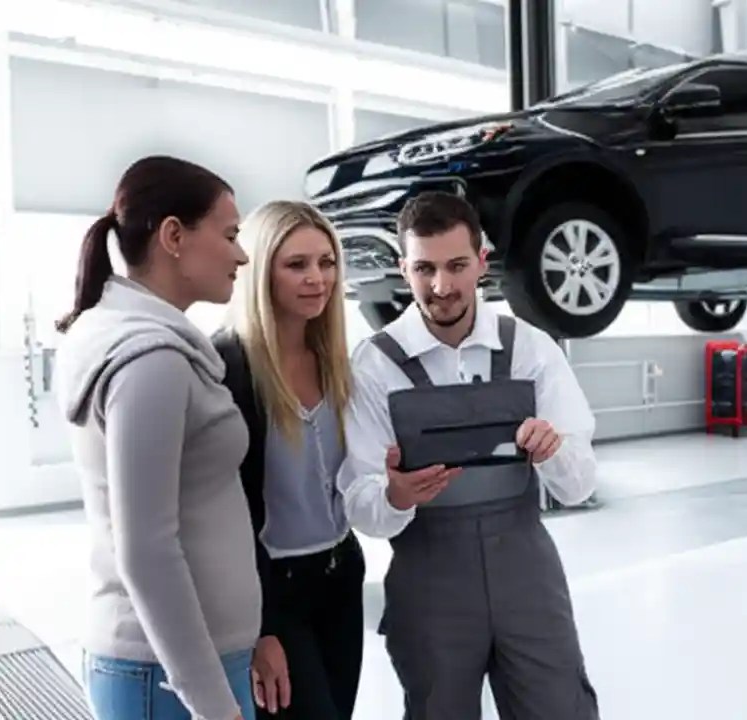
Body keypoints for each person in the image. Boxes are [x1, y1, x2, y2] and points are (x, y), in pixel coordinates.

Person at [337, 190, 601, 719]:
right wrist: (393, 494)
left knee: (560, 708)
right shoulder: (372, 366)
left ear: (482, 260)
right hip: (429, 579)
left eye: (457, 265)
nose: (442, 286)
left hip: (526, 570)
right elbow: (361, 507)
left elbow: (579, 486)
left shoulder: (531, 349)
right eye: (424, 269)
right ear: (402, 268)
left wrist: (552, 453)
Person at [52, 155, 259, 720]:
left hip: (181, 671)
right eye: (230, 233)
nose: (242, 254)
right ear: (173, 235)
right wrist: (213, 703)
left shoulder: (144, 342)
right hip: (171, 680)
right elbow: (145, 550)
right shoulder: (152, 362)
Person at [212, 200, 364, 720]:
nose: (317, 278)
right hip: (274, 589)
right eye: (296, 264)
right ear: (259, 268)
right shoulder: (227, 366)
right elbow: (222, 513)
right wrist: (261, 625)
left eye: (326, 262)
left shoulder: (339, 362)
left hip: (342, 574)